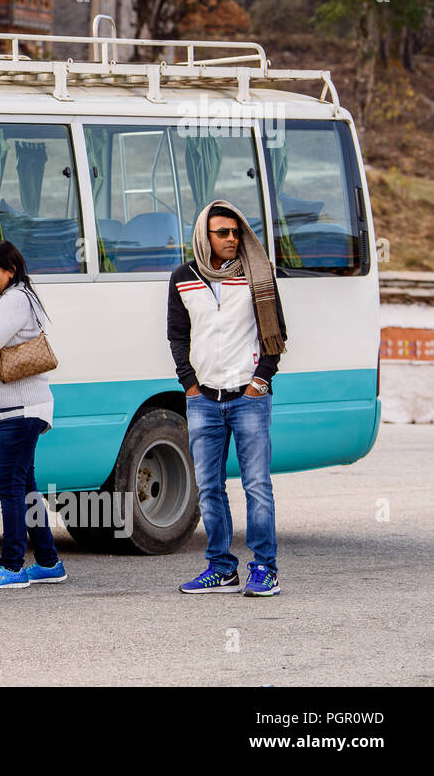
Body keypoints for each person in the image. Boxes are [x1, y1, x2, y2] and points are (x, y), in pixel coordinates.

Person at [171, 200, 287, 597]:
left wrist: (260, 381)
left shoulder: (258, 276)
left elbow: (276, 335)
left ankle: (264, 568)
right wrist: (189, 383)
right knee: (208, 486)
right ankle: (221, 569)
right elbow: (178, 336)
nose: (232, 239)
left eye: (236, 232)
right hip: (203, 399)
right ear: (205, 236)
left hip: (249, 397)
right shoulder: (182, 278)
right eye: (223, 232)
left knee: (256, 484)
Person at [0, 240, 66, 589]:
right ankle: (49, 563)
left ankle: (12, 566)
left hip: (21, 410)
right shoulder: (1, 302)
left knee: (8, 483)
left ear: (10, 270)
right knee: (25, 486)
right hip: (13, 410)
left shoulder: (16, 300)